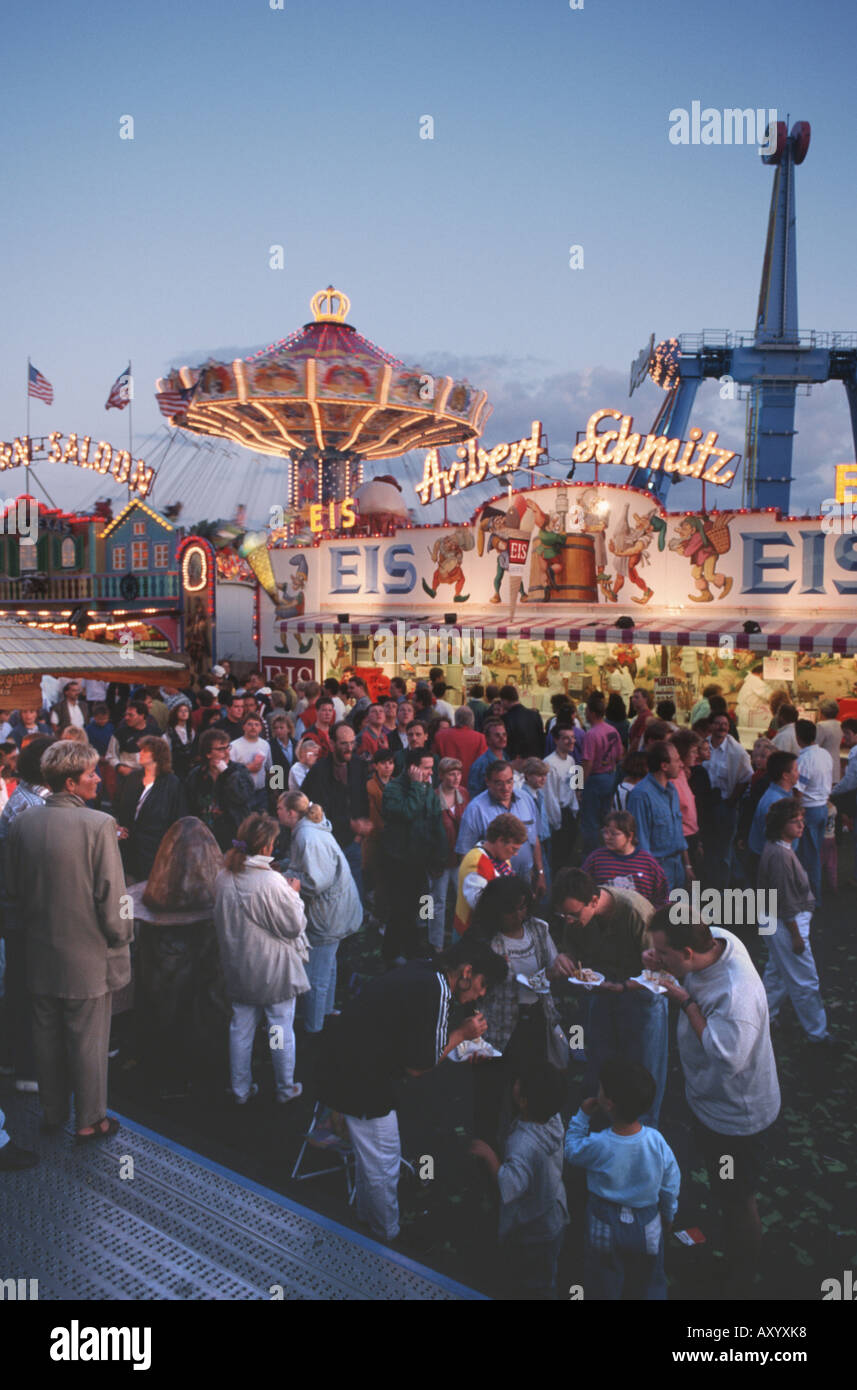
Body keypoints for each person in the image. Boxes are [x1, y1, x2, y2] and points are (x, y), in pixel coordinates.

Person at [316, 937, 507, 1243]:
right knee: (384, 1164)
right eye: (483, 985)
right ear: (467, 971)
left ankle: (367, 1218)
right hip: (361, 1081)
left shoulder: (427, 970)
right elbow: (419, 1066)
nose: (481, 994)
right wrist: (462, 1034)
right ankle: (385, 1237)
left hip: (349, 1065)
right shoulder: (435, 989)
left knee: (374, 1158)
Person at [646, 905, 781, 1297]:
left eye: (664, 952)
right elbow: (676, 962)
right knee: (727, 1190)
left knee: (738, 1197)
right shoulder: (717, 938)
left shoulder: (734, 995)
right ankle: (735, 1253)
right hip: (709, 1105)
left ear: (688, 953)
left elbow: (728, 1059)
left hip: (736, 1117)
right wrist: (659, 964)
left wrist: (686, 1002)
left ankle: (741, 1276)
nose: (659, 958)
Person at [6, 741, 131, 1140]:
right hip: (87, 955)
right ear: (73, 782)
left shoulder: (23, 823)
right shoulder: (98, 825)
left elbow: (11, 890)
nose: (98, 778)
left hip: (38, 950)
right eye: (92, 774)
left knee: (46, 1037)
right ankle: (91, 1119)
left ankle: (53, 1111)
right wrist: (123, 933)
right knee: (88, 1042)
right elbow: (115, 896)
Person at [552, 868, 667, 1127]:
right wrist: (564, 958)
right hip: (604, 991)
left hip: (642, 995)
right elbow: (571, 949)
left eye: (573, 914)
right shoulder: (575, 913)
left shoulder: (635, 912)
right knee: (601, 1058)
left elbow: (661, 972)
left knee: (644, 1068)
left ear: (594, 901)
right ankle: (603, 1121)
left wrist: (625, 988)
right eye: (563, 915)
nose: (568, 920)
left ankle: (645, 1132)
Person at [126, 817, 229, 1100]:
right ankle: (194, 1074)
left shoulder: (155, 934)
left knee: (167, 1013)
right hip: (200, 1015)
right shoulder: (211, 929)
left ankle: (163, 1072)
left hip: (165, 990)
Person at [564, 1057, 680, 1301]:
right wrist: (668, 1216)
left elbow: (572, 1150)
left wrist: (582, 1117)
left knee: (603, 1281)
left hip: (604, 1221)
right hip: (648, 1225)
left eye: (601, 1088)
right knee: (649, 1281)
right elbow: (670, 1184)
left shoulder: (599, 1143)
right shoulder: (656, 1141)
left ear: (608, 1103)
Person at [214, 813, 309, 1104]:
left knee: (240, 1028)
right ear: (266, 846)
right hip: (274, 970)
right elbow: (293, 926)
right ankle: (284, 1088)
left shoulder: (222, 877)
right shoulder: (272, 882)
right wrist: (294, 894)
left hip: (238, 966)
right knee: (279, 1028)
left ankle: (240, 1090)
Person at [470, 1062, 569, 1300]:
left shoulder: (523, 1144)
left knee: (531, 1283)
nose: (514, 1082)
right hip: (554, 1212)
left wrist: (490, 1156)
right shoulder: (553, 1119)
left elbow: (509, 1184)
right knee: (548, 1275)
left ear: (523, 1101)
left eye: (518, 1083)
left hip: (532, 1228)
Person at [277, 792, 361, 1034]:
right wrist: (284, 866)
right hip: (335, 909)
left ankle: (314, 1029)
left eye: (280, 808)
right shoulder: (308, 829)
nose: (277, 812)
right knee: (328, 966)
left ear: (292, 813)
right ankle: (326, 1013)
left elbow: (316, 881)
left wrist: (284, 878)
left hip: (327, 914)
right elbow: (308, 865)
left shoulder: (307, 835)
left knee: (316, 975)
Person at [0, 735, 53, 1093]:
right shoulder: (33, 806)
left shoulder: (23, 798)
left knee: (17, 983)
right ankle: (26, 1069)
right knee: (27, 986)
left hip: (13, 905)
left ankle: (9, 1060)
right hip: (23, 909)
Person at [757, 798, 832, 1044]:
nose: (801, 825)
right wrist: (795, 935)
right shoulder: (780, 855)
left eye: (802, 819)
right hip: (785, 923)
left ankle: (763, 1019)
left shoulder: (780, 847)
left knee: (777, 974)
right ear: (780, 825)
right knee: (805, 979)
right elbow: (785, 899)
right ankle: (817, 1033)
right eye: (794, 821)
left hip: (777, 918)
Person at [378, 748, 448, 962]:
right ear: (412, 768)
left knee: (424, 905)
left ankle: (418, 945)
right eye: (426, 769)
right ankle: (392, 955)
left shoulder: (428, 789)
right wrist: (417, 786)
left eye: (431, 769)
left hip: (421, 861)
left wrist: (440, 855)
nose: (430, 774)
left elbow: (437, 821)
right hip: (399, 862)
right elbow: (408, 812)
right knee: (401, 911)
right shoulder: (394, 789)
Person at [302, 722, 372, 900]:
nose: (349, 748)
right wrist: (350, 824)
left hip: (352, 842)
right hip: (328, 842)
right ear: (332, 744)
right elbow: (314, 810)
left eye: (352, 743)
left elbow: (363, 799)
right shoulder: (319, 772)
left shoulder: (358, 766)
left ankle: (359, 922)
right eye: (343, 743)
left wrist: (359, 834)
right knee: (332, 895)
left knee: (356, 890)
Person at [457, 759, 544, 895]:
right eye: (499, 783)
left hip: (526, 874)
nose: (506, 788)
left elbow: (535, 839)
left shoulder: (526, 799)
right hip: (494, 880)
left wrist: (540, 872)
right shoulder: (475, 809)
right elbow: (464, 852)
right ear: (488, 782)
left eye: (509, 781)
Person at [116, 736, 187, 882]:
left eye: (145, 750)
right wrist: (119, 828)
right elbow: (119, 807)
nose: (140, 753)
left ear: (157, 755)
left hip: (155, 848)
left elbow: (178, 817)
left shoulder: (171, 783)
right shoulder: (133, 778)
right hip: (129, 846)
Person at [627, 741, 692, 893]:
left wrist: (687, 865)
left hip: (677, 867)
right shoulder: (641, 795)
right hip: (658, 870)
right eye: (677, 760)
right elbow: (640, 842)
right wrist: (649, 877)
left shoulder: (671, 790)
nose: (681, 764)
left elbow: (678, 832)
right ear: (664, 766)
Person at [453, 813, 528, 936]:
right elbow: (480, 905)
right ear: (500, 841)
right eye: (514, 849)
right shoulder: (475, 862)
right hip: (470, 934)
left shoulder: (501, 857)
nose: (515, 854)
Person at [702, 712, 752, 890]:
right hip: (705, 805)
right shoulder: (703, 745)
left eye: (725, 724)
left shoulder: (736, 751)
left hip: (725, 805)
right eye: (718, 723)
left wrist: (732, 800)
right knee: (709, 845)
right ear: (711, 726)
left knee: (724, 849)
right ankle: (713, 882)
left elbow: (746, 777)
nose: (722, 727)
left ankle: (723, 888)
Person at [184, 728, 255, 853]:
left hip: (233, 833)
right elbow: (188, 804)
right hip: (205, 834)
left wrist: (226, 774)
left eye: (228, 747)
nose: (226, 752)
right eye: (221, 749)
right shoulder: (196, 775)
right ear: (208, 754)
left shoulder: (239, 770)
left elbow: (242, 796)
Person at [582, 811, 670, 908]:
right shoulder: (596, 859)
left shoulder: (647, 862)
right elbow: (582, 888)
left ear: (630, 836)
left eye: (614, 834)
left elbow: (663, 895)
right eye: (605, 832)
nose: (607, 837)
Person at [430, 757, 468, 953]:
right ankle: (433, 942)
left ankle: (460, 939)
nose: (456, 778)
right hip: (440, 861)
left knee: (463, 901)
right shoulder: (433, 798)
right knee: (435, 901)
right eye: (451, 774)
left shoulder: (463, 794)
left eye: (458, 773)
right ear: (441, 775)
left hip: (460, 858)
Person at [579, 693, 624, 854]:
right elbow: (620, 755)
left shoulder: (591, 734)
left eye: (586, 711)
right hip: (610, 776)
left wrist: (579, 786)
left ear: (591, 712)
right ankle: (608, 849)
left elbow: (587, 763)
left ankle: (591, 854)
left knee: (590, 821)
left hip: (595, 778)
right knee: (606, 816)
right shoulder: (612, 730)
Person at [794, 719, 833, 903]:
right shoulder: (824, 754)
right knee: (814, 853)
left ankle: (812, 897)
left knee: (808, 857)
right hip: (822, 808)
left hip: (809, 810)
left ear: (798, 737)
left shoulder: (804, 759)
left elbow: (798, 791)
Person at [748, 750, 800, 858]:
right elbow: (774, 840)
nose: (799, 773)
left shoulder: (785, 794)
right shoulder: (775, 802)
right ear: (785, 775)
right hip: (772, 859)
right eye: (795, 770)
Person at [544, 725, 579, 866]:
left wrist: (576, 807)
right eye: (566, 738)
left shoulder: (571, 760)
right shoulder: (549, 764)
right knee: (558, 854)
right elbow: (549, 795)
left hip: (570, 812)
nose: (571, 741)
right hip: (557, 815)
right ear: (556, 740)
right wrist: (556, 821)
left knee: (568, 851)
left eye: (573, 737)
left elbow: (575, 785)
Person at [229, 713, 273, 810]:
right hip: (242, 794)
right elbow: (228, 772)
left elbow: (271, 769)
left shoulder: (265, 745)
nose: (253, 727)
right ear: (243, 727)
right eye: (249, 724)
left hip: (262, 793)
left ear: (261, 728)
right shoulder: (234, 746)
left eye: (256, 724)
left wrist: (277, 789)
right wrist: (248, 768)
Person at [432, 705, 486, 783]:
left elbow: (435, 761)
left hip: (446, 782)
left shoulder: (440, 736)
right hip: (470, 783)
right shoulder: (481, 738)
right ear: (472, 720)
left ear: (456, 718)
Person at [500, 685, 544, 761]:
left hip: (517, 762)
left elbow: (506, 744)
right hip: (536, 760)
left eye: (501, 701)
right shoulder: (535, 715)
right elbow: (541, 739)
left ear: (505, 700)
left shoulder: (505, 719)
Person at [467, 716, 509, 795]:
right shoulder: (480, 765)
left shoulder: (507, 759)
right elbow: (474, 795)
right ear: (488, 739)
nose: (502, 738)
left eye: (504, 734)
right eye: (497, 735)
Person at [166, 701, 195, 780]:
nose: (183, 713)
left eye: (186, 711)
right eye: (180, 711)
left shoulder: (191, 731)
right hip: (175, 766)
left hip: (188, 766)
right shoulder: (169, 732)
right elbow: (167, 750)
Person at [815, 700, 843, 766]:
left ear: (822, 712)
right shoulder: (840, 724)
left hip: (823, 760)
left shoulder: (821, 725)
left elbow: (815, 744)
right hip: (835, 758)